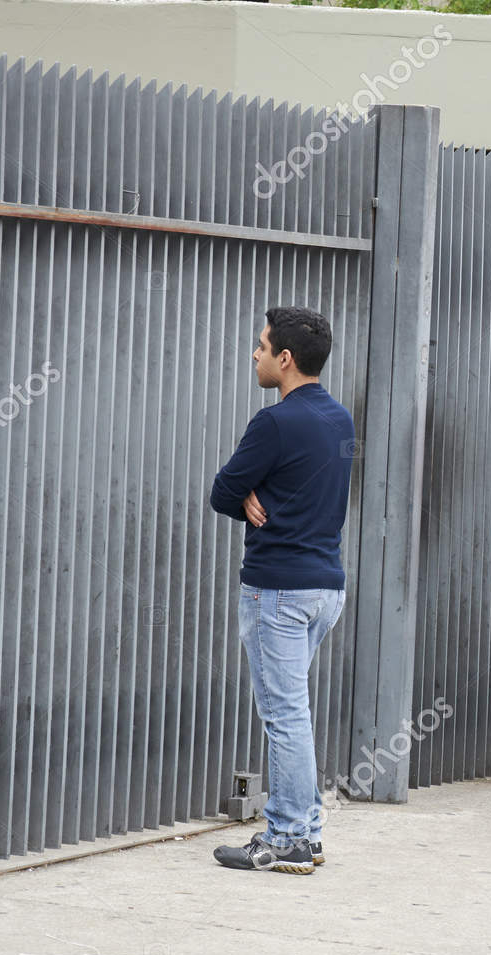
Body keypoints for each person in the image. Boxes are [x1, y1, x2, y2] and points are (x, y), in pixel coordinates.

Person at [210, 307, 353, 875]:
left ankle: (289, 835)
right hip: (324, 589)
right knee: (293, 711)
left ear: (285, 358)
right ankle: (307, 832)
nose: (255, 354)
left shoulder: (274, 422)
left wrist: (245, 494)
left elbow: (222, 491)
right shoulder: (339, 419)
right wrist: (251, 492)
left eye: (261, 345)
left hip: (278, 590)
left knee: (284, 716)